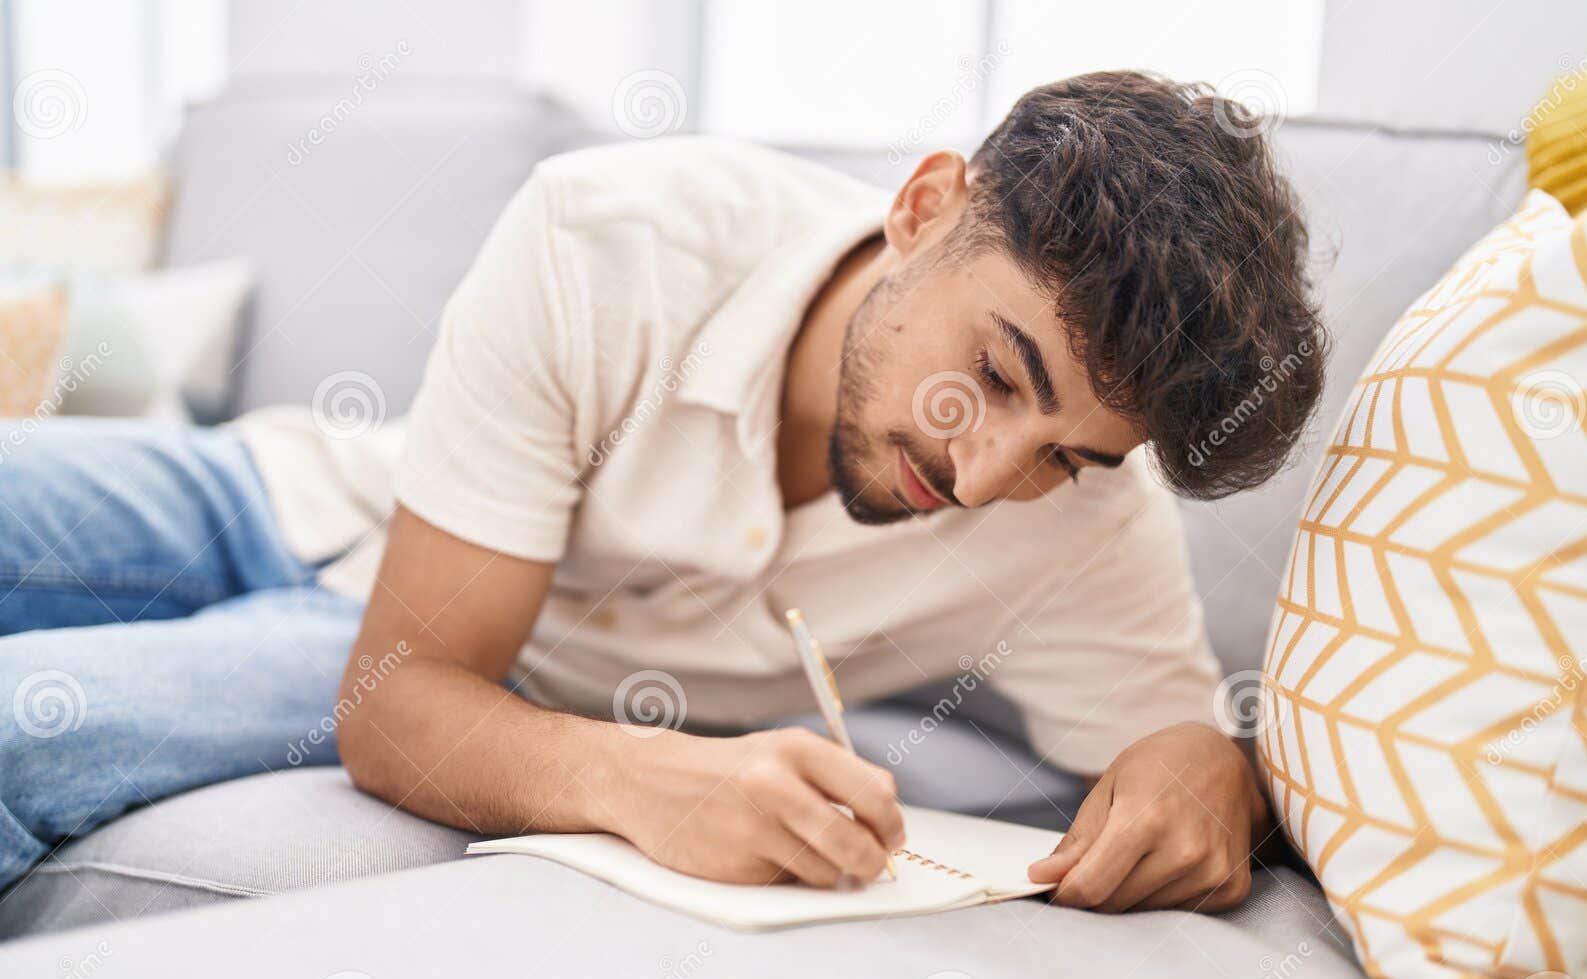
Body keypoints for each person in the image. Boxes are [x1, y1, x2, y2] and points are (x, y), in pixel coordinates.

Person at [0, 72, 1325, 911]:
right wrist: (653, 778)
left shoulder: (1077, 524)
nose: (982, 476)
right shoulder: (609, 235)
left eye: (1068, 454)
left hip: (414, 645)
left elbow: (1185, 751)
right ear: (926, 209)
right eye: (993, 371)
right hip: (285, 482)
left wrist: (1208, 786)